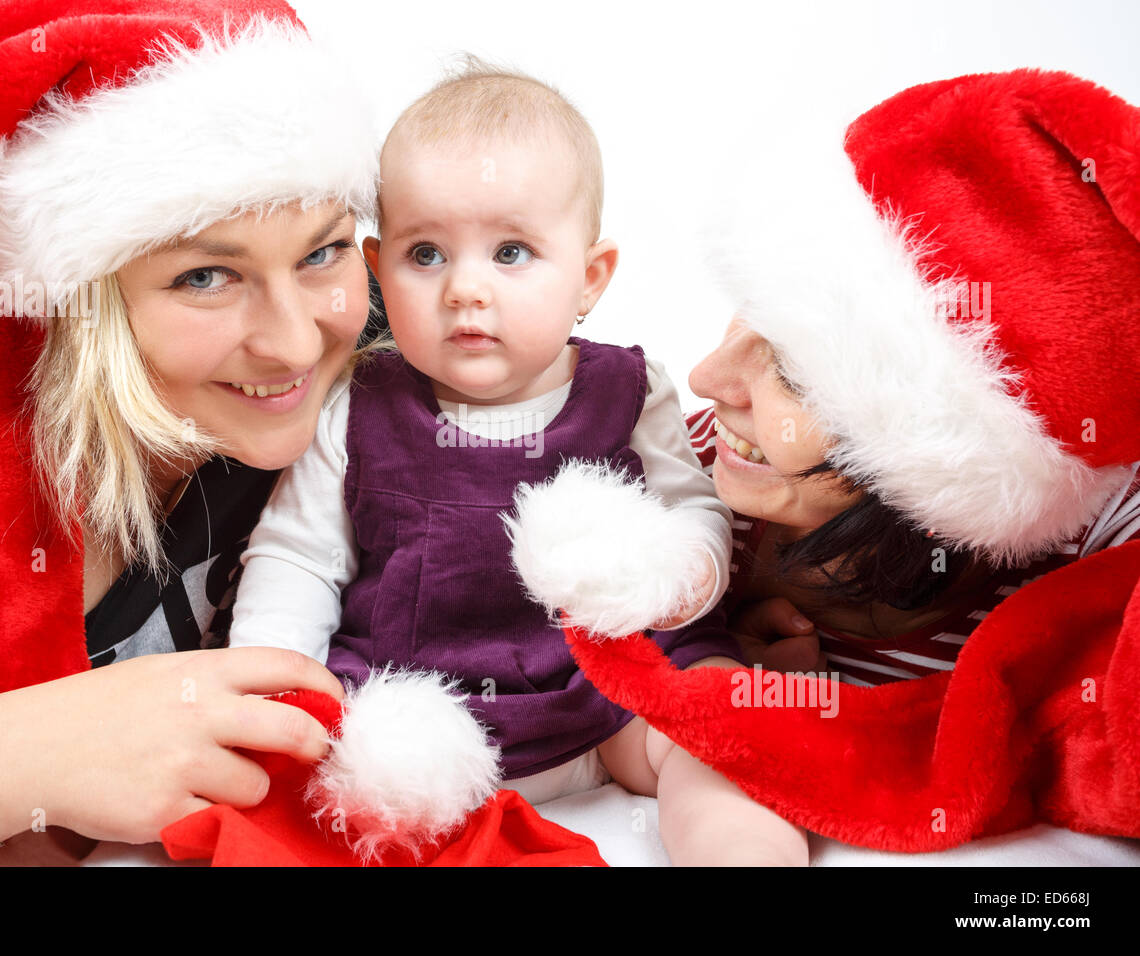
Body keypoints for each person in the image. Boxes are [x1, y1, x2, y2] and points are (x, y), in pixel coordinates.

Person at [227, 59, 809, 865]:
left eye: (511, 252)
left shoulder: (630, 388)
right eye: (425, 255)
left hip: (611, 697)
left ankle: (739, 854)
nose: (466, 289)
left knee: (718, 734)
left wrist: (672, 578)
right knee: (323, 790)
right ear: (376, 269)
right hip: (416, 710)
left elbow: (695, 512)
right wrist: (276, 685)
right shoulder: (359, 402)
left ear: (590, 277)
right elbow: (298, 556)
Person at [0, 2, 381, 864]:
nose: (293, 342)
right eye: (206, 276)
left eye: (323, 252)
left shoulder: (383, 373)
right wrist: (19, 753)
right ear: (77, 305)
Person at [568, 68, 1140, 850]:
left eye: (796, 373)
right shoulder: (666, 469)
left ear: (931, 461)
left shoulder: (1083, 542)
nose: (706, 378)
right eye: (750, 319)